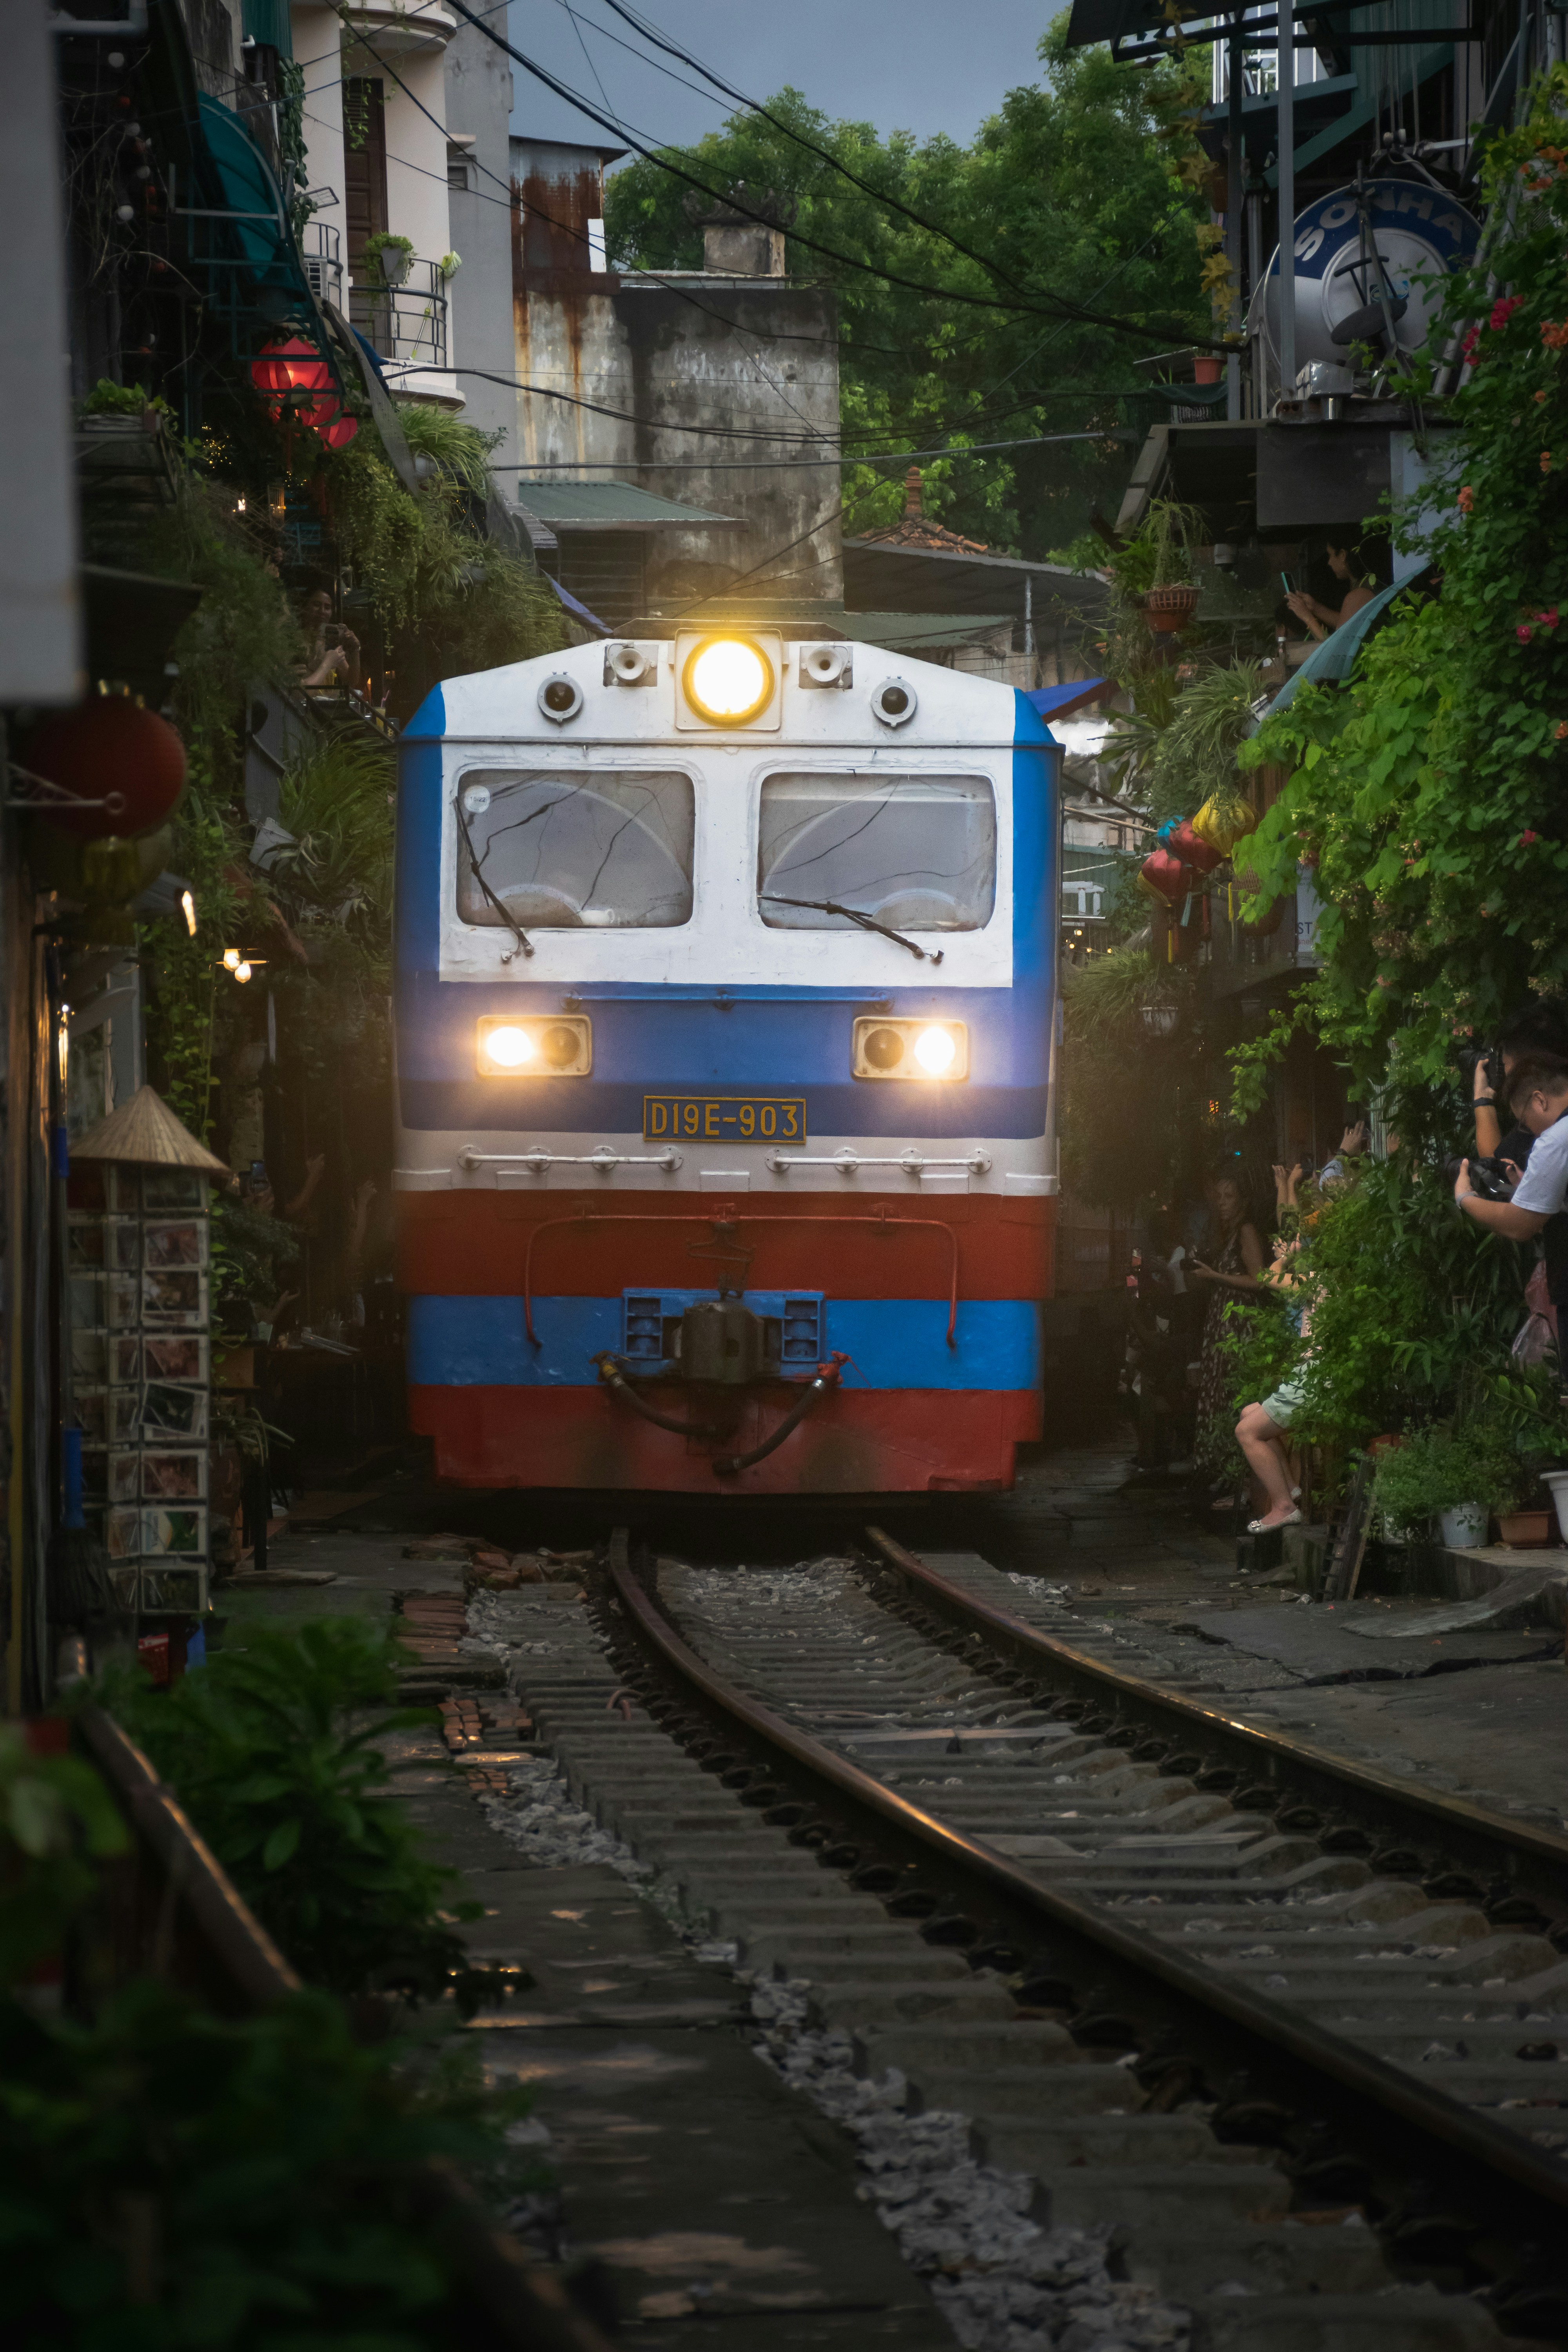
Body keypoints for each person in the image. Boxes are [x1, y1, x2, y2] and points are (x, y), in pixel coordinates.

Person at [1189, 1172, 1269, 1472]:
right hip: (1223, 1320)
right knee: (1220, 1390)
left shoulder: (1246, 1231)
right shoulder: (1226, 1233)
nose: (1222, 1203)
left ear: (1242, 1202)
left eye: (1229, 1197)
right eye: (1219, 1197)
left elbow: (1259, 1280)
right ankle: (1221, 1469)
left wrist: (1215, 1276)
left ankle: (1236, 1471)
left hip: (1238, 1321)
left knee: (1232, 1391)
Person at [1455, 1052, 1568, 1240]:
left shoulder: (1555, 1140)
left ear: (1540, 1101)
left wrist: (1464, 1198)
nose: (1534, 1135)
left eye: (1524, 1123)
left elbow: (1520, 1225)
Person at [1285, 542, 1377, 643]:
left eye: (1330, 555)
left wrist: (1307, 617)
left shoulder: (1360, 594)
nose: (1329, 562)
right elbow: (1347, 622)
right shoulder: (1365, 586)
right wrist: (1315, 607)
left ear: (1342, 555)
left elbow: (1337, 646)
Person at [298, 584, 361, 690]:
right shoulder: (295, 640)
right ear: (304, 607)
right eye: (317, 605)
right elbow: (302, 691)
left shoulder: (330, 642)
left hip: (327, 700)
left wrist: (355, 649)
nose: (322, 611)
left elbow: (351, 680)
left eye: (327, 607)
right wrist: (328, 663)